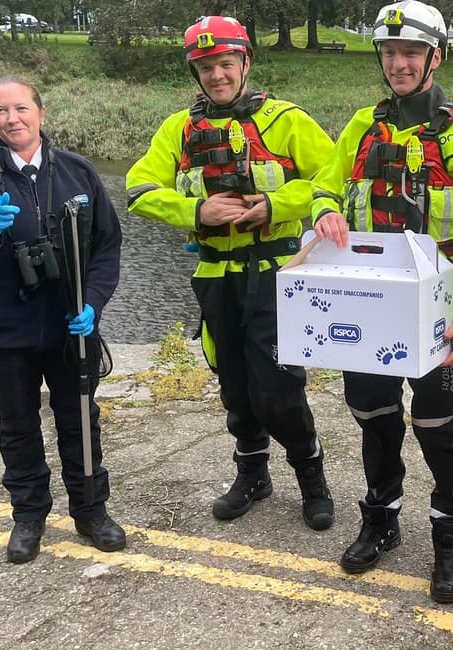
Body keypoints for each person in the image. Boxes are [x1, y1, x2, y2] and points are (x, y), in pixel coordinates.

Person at [311, 0, 453, 603]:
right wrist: (326, 210)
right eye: (389, 53)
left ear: (434, 57)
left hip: (436, 310)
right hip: (368, 305)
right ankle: (380, 518)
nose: (399, 64)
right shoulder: (362, 127)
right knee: (373, 415)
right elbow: (324, 184)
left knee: (438, 424)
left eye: (411, 53)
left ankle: (450, 535)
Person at [126, 17, 337, 531]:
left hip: (276, 273)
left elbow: (332, 179)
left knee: (279, 389)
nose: (216, 75)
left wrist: (276, 204)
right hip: (216, 275)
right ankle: (253, 474)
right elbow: (139, 190)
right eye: (205, 67)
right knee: (235, 387)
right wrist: (196, 211)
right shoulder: (178, 130)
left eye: (225, 64)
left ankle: (312, 477)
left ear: (245, 62)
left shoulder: (287, 120)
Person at [0, 76, 126, 564]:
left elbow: (107, 246)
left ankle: (91, 511)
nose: (11, 119)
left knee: (80, 421)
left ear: (40, 112)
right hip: (1, 330)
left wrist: (92, 302)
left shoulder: (77, 171)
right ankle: (29, 515)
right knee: (17, 425)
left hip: (69, 328)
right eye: (0, 111)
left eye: (20, 108)